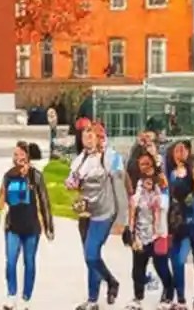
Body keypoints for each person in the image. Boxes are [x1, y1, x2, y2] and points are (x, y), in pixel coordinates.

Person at [66, 121, 127, 310]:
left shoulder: (109, 157)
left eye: (91, 134)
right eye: (85, 135)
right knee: (89, 257)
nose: (88, 138)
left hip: (104, 212)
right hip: (86, 213)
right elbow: (73, 179)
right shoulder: (80, 159)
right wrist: (71, 184)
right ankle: (93, 300)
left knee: (92, 254)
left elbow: (119, 185)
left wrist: (121, 219)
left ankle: (111, 281)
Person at [0, 141, 54, 310]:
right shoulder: (9, 175)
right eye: (15, 154)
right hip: (13, 226)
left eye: (21, 154)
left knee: (30, 262)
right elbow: (2, 196)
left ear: (27, 156)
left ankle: (26, 297)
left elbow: (44, 201)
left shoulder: (36, 176)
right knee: (11, 261)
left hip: (31, 227)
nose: (18, 157)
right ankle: (11, 295)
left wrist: (49, 227)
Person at [125, 152, 173, 310]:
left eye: (147, 164)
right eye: (141, 165)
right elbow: (133, 206)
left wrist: (157, 199)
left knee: (161, 266)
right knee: (138, 268)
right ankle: (138, 298)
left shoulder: (161, 182)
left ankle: (168, 294)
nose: (144, 168)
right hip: (141, 232)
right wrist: (130, 231)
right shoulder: (139, 184)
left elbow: (165, 204)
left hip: (158, 233)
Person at [164, 140, 194, 310]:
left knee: (180, 260)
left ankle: (181, 298)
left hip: (188, 221)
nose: (179, 154)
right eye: (176, 151)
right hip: (172, 222)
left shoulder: (192, 174)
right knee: (173, 261)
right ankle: (177, 296)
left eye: (182, 151)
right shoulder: (169, 174)